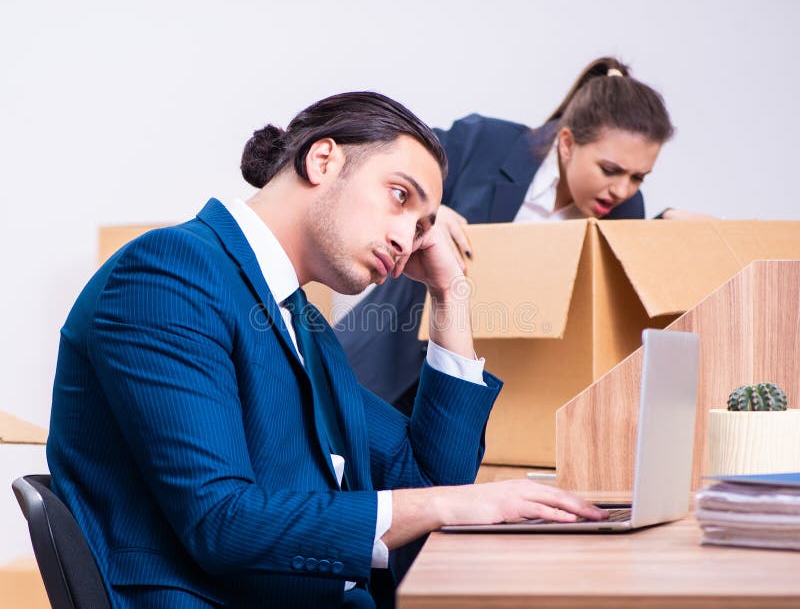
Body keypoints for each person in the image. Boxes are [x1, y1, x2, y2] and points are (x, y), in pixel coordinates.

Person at [46, 91, 606, 608]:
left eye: (421, 226)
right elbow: (221, 521)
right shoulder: (171, 273)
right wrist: (447, 504)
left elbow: (429, 480)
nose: (406, 238)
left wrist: (448, 292)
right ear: (323, 161)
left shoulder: (300, 321)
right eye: (399, 196)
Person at [337, 57, 695, 416]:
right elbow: (377, 170)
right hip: (380, 367)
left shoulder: (625, 210)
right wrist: (425, 210)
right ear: (567, 143)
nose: (622, 190)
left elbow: (612, 298)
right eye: (610, 170)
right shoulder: (484, 141)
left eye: (638, 177)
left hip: (488, 404)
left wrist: (663, 228)